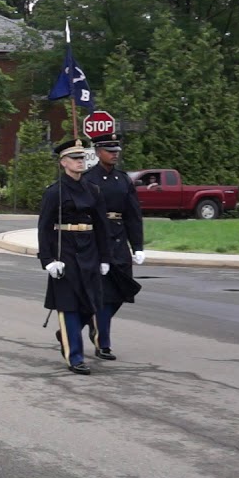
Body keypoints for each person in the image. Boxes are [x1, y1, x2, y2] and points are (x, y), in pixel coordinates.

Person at [38, 138, 112, 375]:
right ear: (63, 163)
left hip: (89, 249)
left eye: (82, 158)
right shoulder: (55, 192)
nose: (80, 162)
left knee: (90, 304)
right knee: (68, 305)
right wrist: (48, 260)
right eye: (75, 159)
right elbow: (44, 228)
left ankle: (66, 335)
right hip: (65, 251)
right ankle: (75, 357)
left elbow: (102, 226)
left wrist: (105, 258)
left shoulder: (93, 190)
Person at [81, 130, 144, 360]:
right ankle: (102, 342)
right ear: (98, 153)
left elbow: (133, 214)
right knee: (103, 294)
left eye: (116, 151)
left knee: (121, 291)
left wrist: (137, 246)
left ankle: (84, 322)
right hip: (97, 239)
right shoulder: (88, 179)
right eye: (109, 151)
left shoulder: (123, 179)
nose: (114, 155)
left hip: (118, 239)